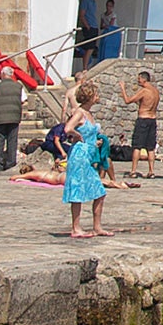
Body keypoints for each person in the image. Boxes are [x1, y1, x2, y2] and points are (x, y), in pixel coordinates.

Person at [58, 84, 111, 237]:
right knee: (78, 191)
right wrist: (77, 135)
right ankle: (76, 228)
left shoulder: (88, 113)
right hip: (79, 156)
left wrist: (95, 143)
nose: (98, 96)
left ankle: (97, 226)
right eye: (95, 94)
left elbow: (89, 132)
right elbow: (67, 128)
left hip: (88, 155)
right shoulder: (79, 113)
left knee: (99, 192)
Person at [123, 68, 161, 186]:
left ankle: (133, 170)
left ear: (144, 79)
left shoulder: (144, 91)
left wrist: (122, 88)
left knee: (137, 146)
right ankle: (151, 171)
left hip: (143, 119)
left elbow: (128, 100)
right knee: (150, 147)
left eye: (139, 79)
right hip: (152, 119)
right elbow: (144, 103)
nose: (138, 81)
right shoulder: (155, 92)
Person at [0, 63, 26, 172]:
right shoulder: (19, 86)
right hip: (14, 116)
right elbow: (23, 100)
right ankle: (10, 164)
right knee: (12, 140)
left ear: (3, 74)